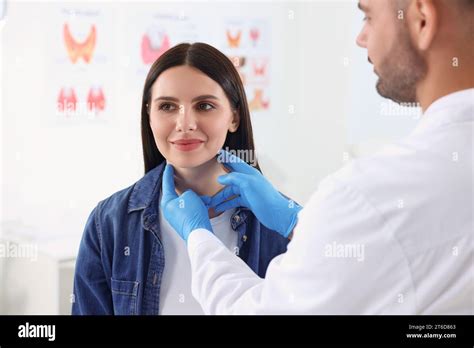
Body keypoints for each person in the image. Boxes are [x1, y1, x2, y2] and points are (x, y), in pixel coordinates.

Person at [161, 0, 474, 314]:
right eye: (166, 106)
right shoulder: (115, 219)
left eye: (368, 16)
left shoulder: (369, 197)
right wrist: (298, 221)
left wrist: (198, 236)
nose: (361, 38)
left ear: (422, 19)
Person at [72, 42, 290, 315]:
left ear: (234, 117)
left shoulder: (282, 225)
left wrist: (298, 229)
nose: (185, 123)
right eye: (167, 106)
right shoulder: (109, 223)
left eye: (205, 105)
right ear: (149, 116)